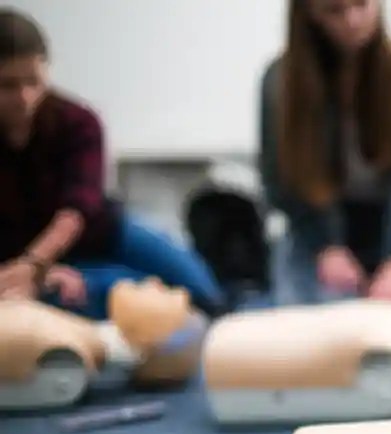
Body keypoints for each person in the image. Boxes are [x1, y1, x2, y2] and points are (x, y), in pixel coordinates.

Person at [0, 8, 226, 320]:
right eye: (8, 85)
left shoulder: (78, 121)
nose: (24, 97)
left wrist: (35, 263)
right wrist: (33, 272)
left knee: (200, 288)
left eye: (33, 81)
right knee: (111, 295)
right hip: (23, 259)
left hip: (100, 231)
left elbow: (78, 206)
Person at [259, 0, 391, 319]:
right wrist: (326, 247)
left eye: (362, 4)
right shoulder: (281, 82)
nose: (353, 20)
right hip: (319, 230)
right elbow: (280, 179)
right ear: (309, 14)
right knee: (307, 318)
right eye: (334, 11)